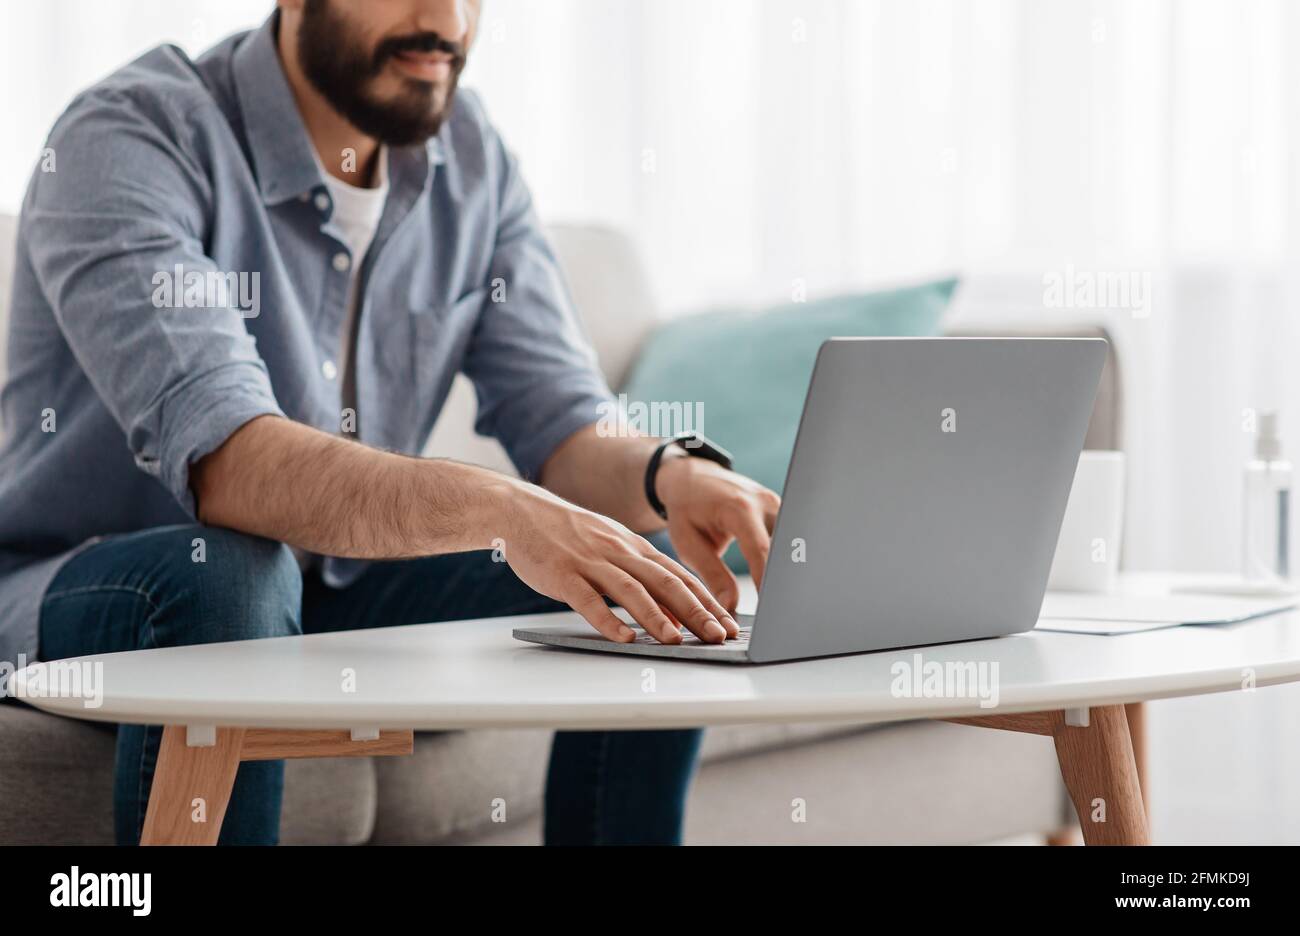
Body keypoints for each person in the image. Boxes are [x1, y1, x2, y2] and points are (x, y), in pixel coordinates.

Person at [0, 0, 781, 845]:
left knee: (646, 570)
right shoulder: (128, 139)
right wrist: (499, 509)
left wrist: (669, 472)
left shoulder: (470, 160)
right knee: (231, 574)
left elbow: (565, 429)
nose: (446, 19)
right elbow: (234, 463)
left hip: (334, 579)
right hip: (87, 585)